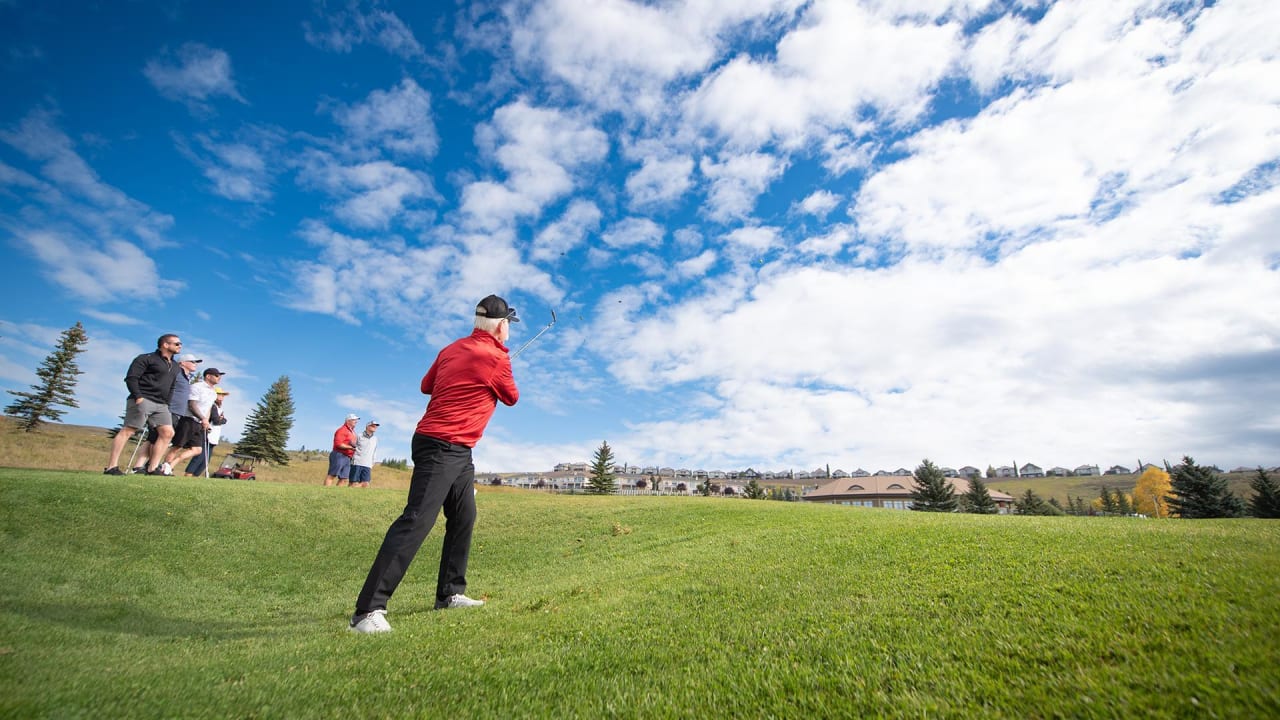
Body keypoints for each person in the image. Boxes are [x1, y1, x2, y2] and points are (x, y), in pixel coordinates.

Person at [349, 294, 520, 634]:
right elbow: (511, 397)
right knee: (415, 521)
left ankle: (450, 593)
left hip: (456, 448)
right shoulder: (497, 357)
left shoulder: (451, 349)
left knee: (464, 516)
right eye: (508, 325)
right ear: (502, 326)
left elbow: (426, 385)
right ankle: (367, 611)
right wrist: (498, 360)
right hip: (442, 445)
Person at [104, 334, 182, 476]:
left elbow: (171, 386)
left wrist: (167, 403)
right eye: (177, 343)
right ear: (165, 344)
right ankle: (111, 467)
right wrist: (138, 397)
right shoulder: (146, 358)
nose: (180, 346)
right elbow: (131, 378)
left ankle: (152, 468)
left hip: (162, 404)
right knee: (129, 430)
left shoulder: (175, 366)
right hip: (143, 398)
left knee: (168, 433)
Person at [132, 353, 201, 475]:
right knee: (154, 438)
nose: (195, 364)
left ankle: (150, 466)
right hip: (168, 409)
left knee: (160, 438)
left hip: (177, 412)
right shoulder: (176, 372)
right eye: (192, 361)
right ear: (182, 362)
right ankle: (139, 466)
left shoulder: (187, 377)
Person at [170, 367, 224, 473]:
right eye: (217, 375)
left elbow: (207, 409)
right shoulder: (197, 386)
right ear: (208, 376)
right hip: (189, 420)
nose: (219, 378)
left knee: (197, 450)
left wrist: (206, 422)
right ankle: (165, 467)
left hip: (200, 423)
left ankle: (170, 465)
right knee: (177, 446)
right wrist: (203, 418)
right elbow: (192, 405)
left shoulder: (213, 393)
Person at [186, 386, 228, 477]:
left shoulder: (219, 408)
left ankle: (195, 475)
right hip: (207, 434)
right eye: (221, 395)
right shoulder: (212, 406)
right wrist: (223, 420)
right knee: (200, 457)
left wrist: (223, 419)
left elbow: (221, 419)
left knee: (206, 460)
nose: (222, 397)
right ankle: (189, 473)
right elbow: (216, 420)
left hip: (214, 436)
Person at [325, 413, 360, 486]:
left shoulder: (352, 432)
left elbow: (352, 443)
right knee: (332, 475)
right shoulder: (342, 430)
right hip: (339, 455)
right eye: (354, 420)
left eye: (356, 420)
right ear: (348, 421)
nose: (356, 421)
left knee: (344, 478)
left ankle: (336, 494)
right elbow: (339, 444)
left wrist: (354, 446)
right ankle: (325, 492)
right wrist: (351, 448)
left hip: (348, 457)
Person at [349, 420, 381, 488]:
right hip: (357, 462)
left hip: (368, 464)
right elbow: (352, 445)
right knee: (353, 483)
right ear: (367, 426)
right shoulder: (359, 435)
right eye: (373, 426)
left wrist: (373, 462)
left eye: (376, 426)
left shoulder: (375, 439)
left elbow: (374, 451)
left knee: (365, 484)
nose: (375, 427)